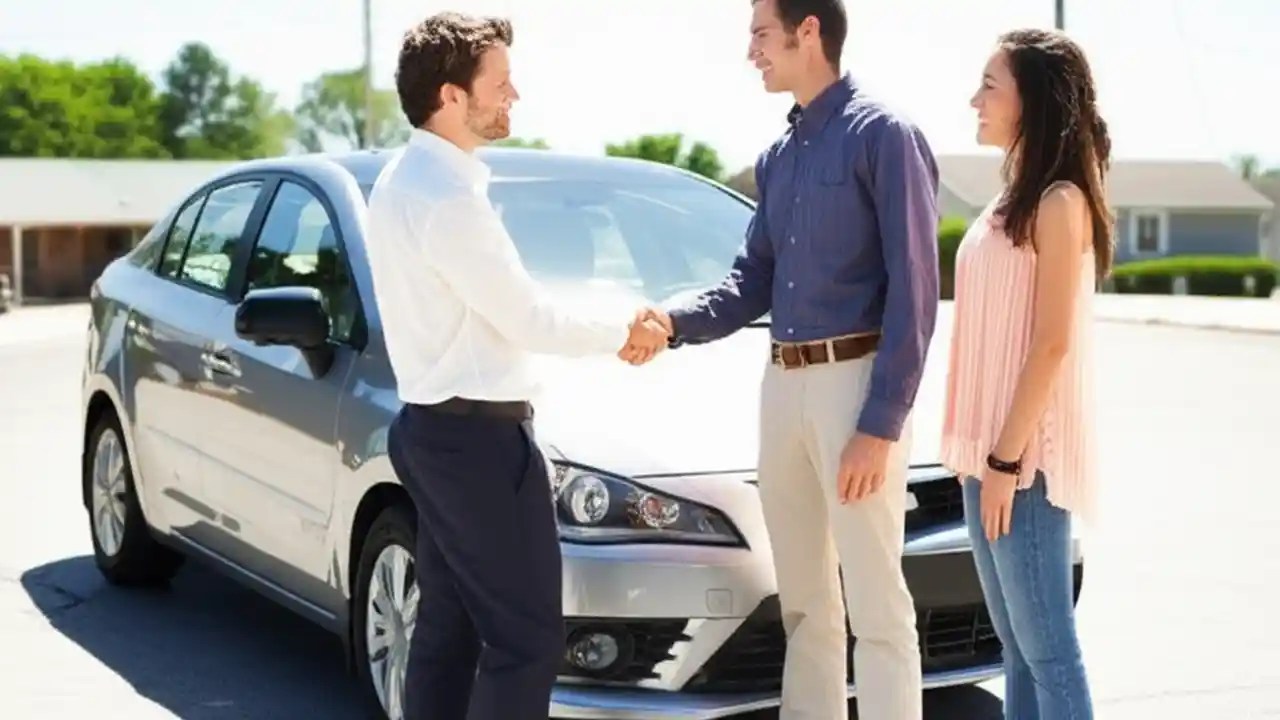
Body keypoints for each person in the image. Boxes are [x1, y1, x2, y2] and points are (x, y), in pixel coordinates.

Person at [363, 12, 670, 720]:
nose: (514, 96)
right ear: (450, 97)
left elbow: (502, 306)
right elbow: (528, 319)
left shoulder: (406, 179)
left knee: (449, 629)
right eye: (499, 84)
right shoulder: (446, 201)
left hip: (433, 433)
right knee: (526, 640)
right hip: (477, 447)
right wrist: (624, 330)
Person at [642, 1, 939, 717]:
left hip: (855, 388)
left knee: (876, 603)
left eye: (760, 35)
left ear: (809, 32)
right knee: (805, 601)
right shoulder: (779, 157)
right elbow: (751, 283)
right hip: (783, 388)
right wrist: (671, 321)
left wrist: (880, 422)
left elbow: (916, 292)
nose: (752, 53)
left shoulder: (885, 135)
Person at [939, 27, 1111, 720]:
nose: (974, 98)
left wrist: (1008, 460)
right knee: (1015, 644)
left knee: (1048, 650)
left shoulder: (1060, 202)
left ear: (1030, 101)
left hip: (1024, 461)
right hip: (990, 457)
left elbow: (1051, 346)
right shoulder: (1010, 200)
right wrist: (990, 460)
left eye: (989, 85)